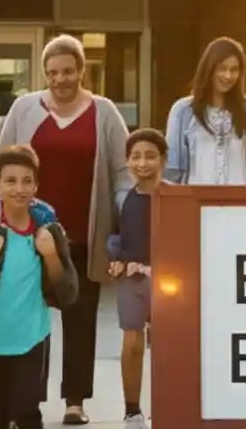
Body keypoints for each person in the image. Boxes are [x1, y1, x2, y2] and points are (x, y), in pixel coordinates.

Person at [0, 34, 133, 425]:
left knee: (80, 318)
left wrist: (127, 220)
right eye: (53, 72)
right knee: (28, 319)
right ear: (44, 74)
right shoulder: (24, 109)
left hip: (83, 235)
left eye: (68, 71)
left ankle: (75, 400)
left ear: (81, 71)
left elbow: (122, 172)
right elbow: (4, 163)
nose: (61, 79)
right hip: (30, 233)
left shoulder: (104, 113)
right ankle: (26, 400)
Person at [0, 144, 79, 429]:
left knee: (27, 413)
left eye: (27, 181)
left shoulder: (47, 226)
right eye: (10, 181)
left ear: (36, 185)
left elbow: (68, 293)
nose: (19, 189)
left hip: (33, 338)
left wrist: (51, 254)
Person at [105, 128, 166, 429]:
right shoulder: (122, 199)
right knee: (132, 342)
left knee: (167, 342)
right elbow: (115, 234)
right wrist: (115, 258)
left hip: (169, 279)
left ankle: (167, 406)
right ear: (127, 161)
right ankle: (133, 410)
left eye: (150, 156)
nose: (143, 163)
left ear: (163, 160)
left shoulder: (173, 195)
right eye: (136, 157)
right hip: (132, 278)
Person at [164, 36, 246, 185]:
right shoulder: (183, 111)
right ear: (209, 69)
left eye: (234, 70)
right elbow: (171, 172)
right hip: (195, 202)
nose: (228, 76)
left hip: (238, 204)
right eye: (222, 68)